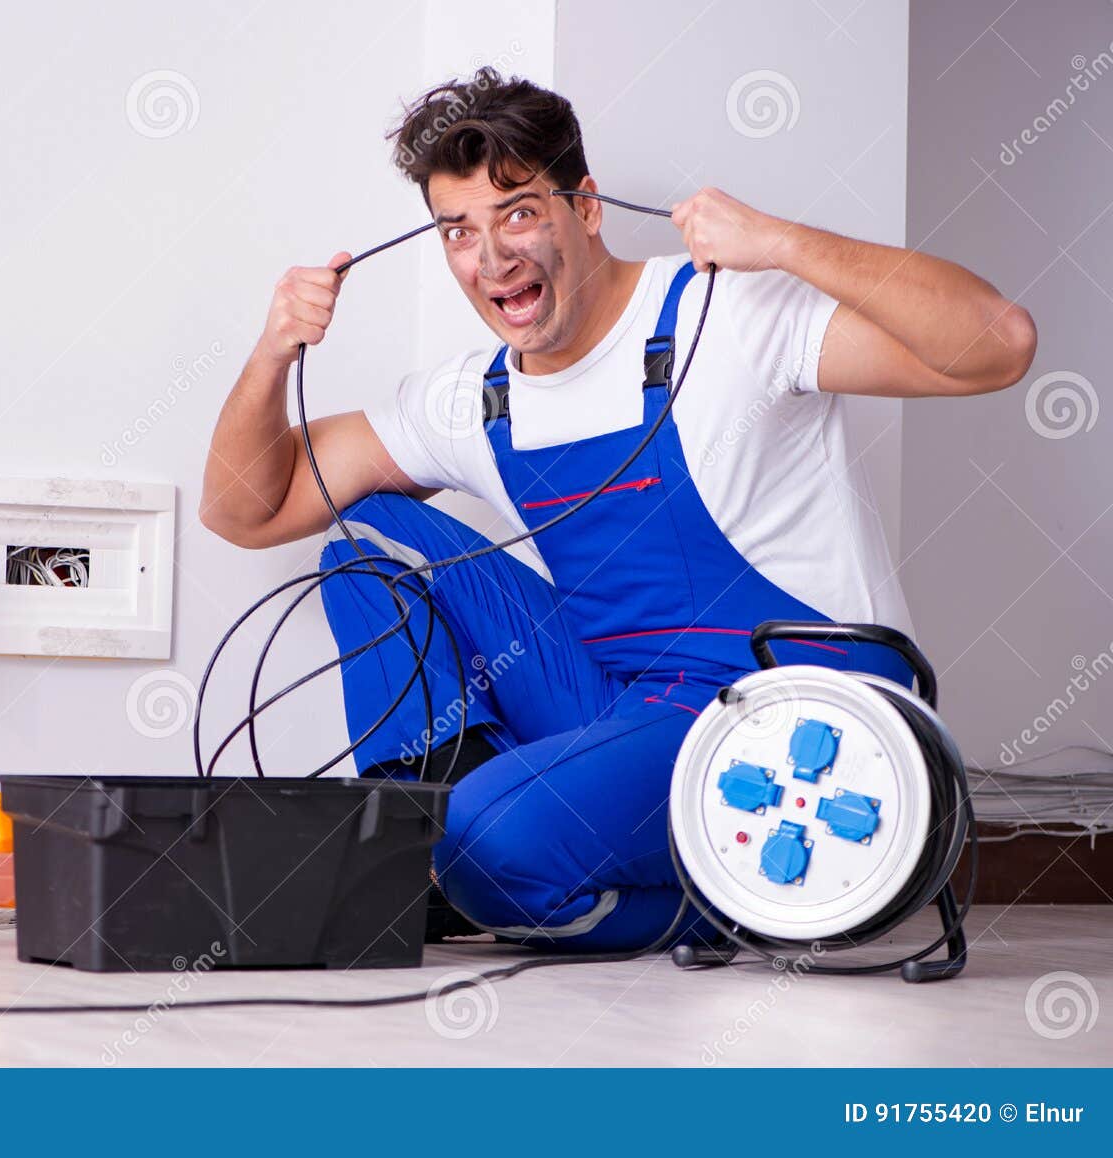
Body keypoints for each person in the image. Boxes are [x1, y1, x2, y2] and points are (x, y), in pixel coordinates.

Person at [199, 69, 1036, 949]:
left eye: (519, 212)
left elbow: (999, 345)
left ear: (586, 207)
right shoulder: (472, 399)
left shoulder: (728, 313)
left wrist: (781, 241)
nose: (492, 259)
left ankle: (708, 895)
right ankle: (437, 847)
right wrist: (272, 351)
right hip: (625, 707)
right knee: (368, 538)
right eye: (459, 232)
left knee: (493, 835)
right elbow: (250, 511)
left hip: (787, 713)